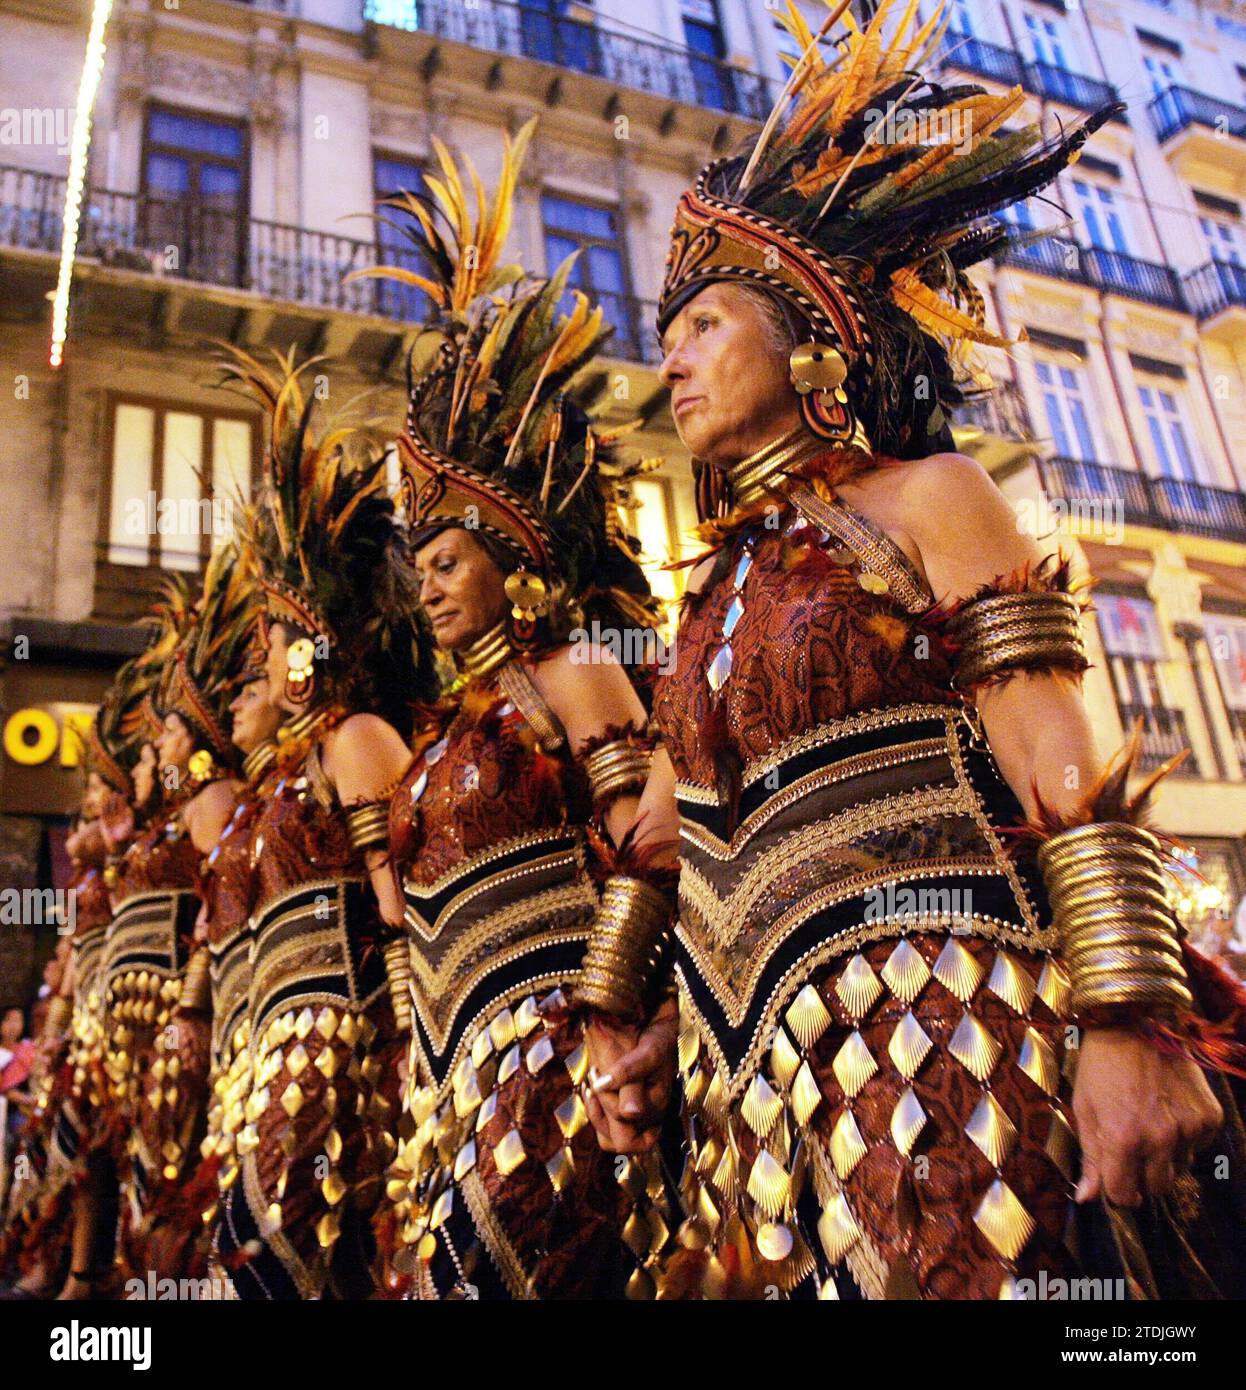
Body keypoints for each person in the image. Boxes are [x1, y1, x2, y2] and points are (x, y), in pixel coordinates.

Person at [584, 0, 1246, 1299]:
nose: (670, 356)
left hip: (940, 1044)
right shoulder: (708, 594)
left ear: (808, 334)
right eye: (668, 332)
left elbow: (1066, 768)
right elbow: (667, 830)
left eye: (706, 320)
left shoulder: (932, 497)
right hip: (745, 1098)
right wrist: (624, 1009)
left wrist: (1123, 1027)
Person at [359, 119, 679, 1300]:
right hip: (450, 1070)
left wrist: (607, 1020)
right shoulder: (439, 731)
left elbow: (649, 851)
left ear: (509, 555)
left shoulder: (576, 671)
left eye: (448, 558)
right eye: (418, 566)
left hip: (557, 1053)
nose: (428, 583)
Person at [208, 346, 435, 1300]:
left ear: (306, 649)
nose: (257, 667)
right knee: (254, 1240)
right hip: (278, 1029)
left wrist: (396, 1057)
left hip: (342, 1035)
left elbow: (399, 906)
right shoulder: (294, 769)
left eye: (268, 644)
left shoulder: (356, 742)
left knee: (288, 1242)